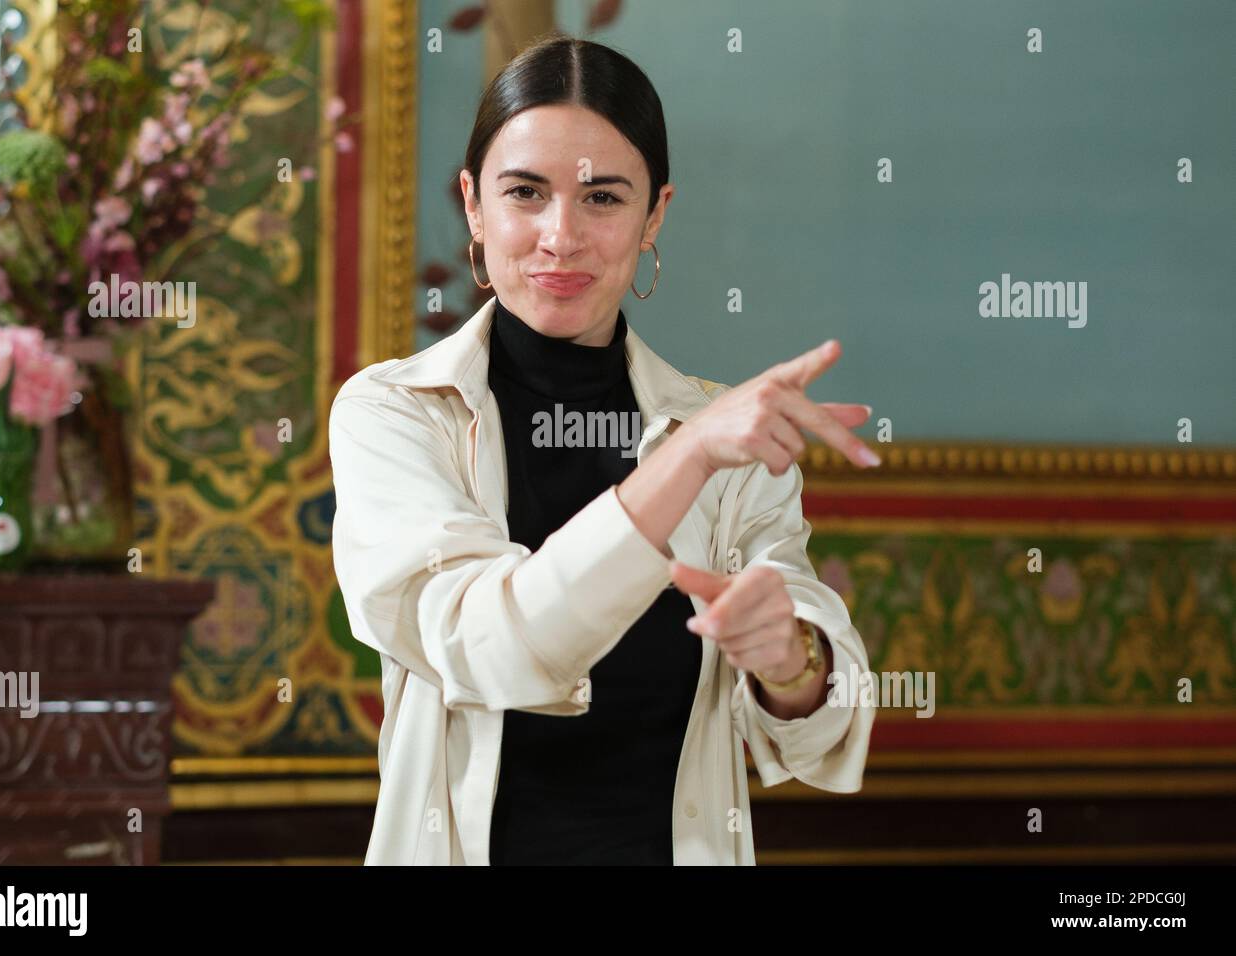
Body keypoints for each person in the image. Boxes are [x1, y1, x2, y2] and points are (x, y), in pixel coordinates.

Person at [329, 32, 879, 865]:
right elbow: (493, 648)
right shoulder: (396, 413)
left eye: (603, 198)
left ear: (655, 213)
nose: (561, 236)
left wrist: (791, 663)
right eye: (526, 193)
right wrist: (685, 461)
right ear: (474, 204)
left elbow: (816, 731)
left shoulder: (724, 433)